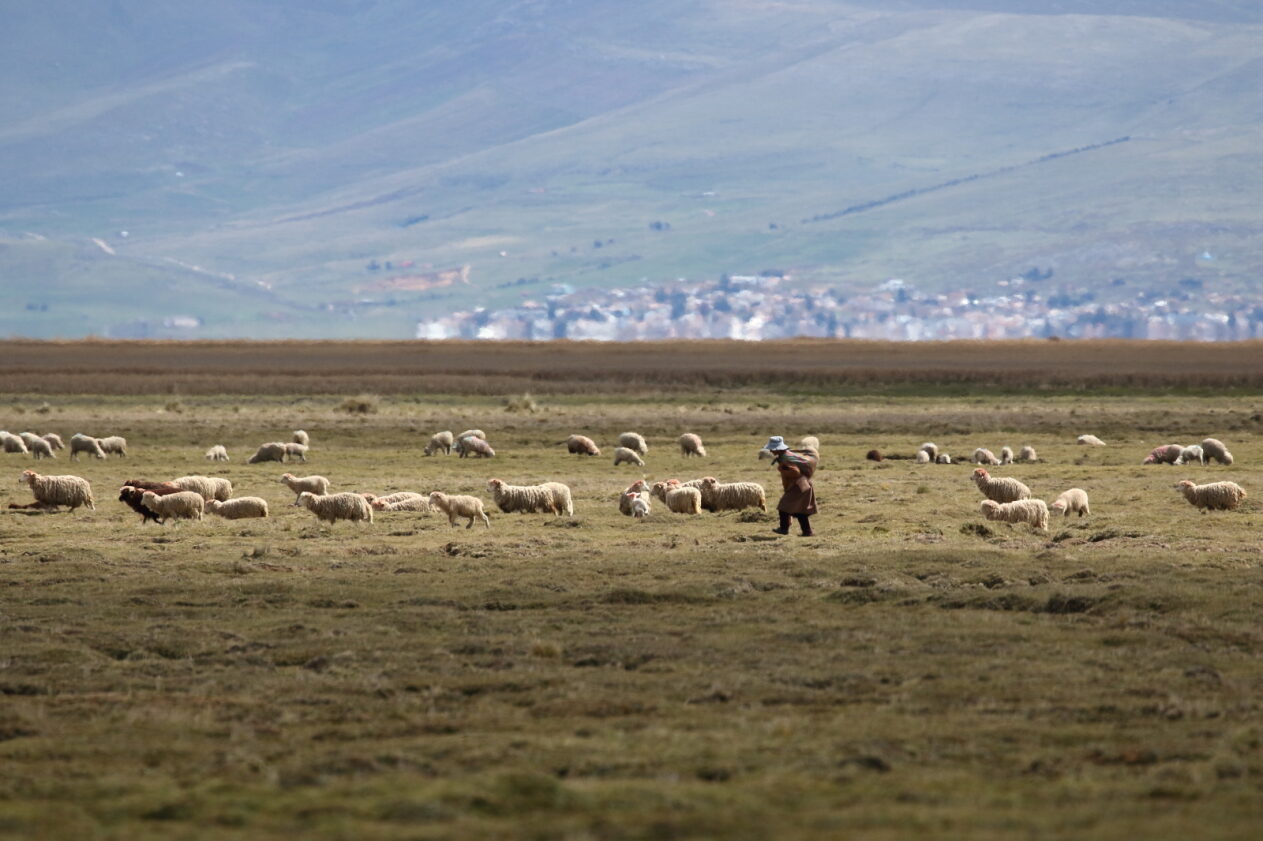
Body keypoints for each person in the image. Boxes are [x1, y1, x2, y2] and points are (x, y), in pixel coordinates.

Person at [765, 436, 817, 537]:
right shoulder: (786, 455)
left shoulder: (785, 458)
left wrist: (782, 469)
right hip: (802, 484)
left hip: (798, 485)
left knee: (784, 506)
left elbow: (795, 472)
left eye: (772, 449)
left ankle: (784, 529)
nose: (771, 451)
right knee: (800, 511)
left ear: (777, 449)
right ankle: (807, 532)